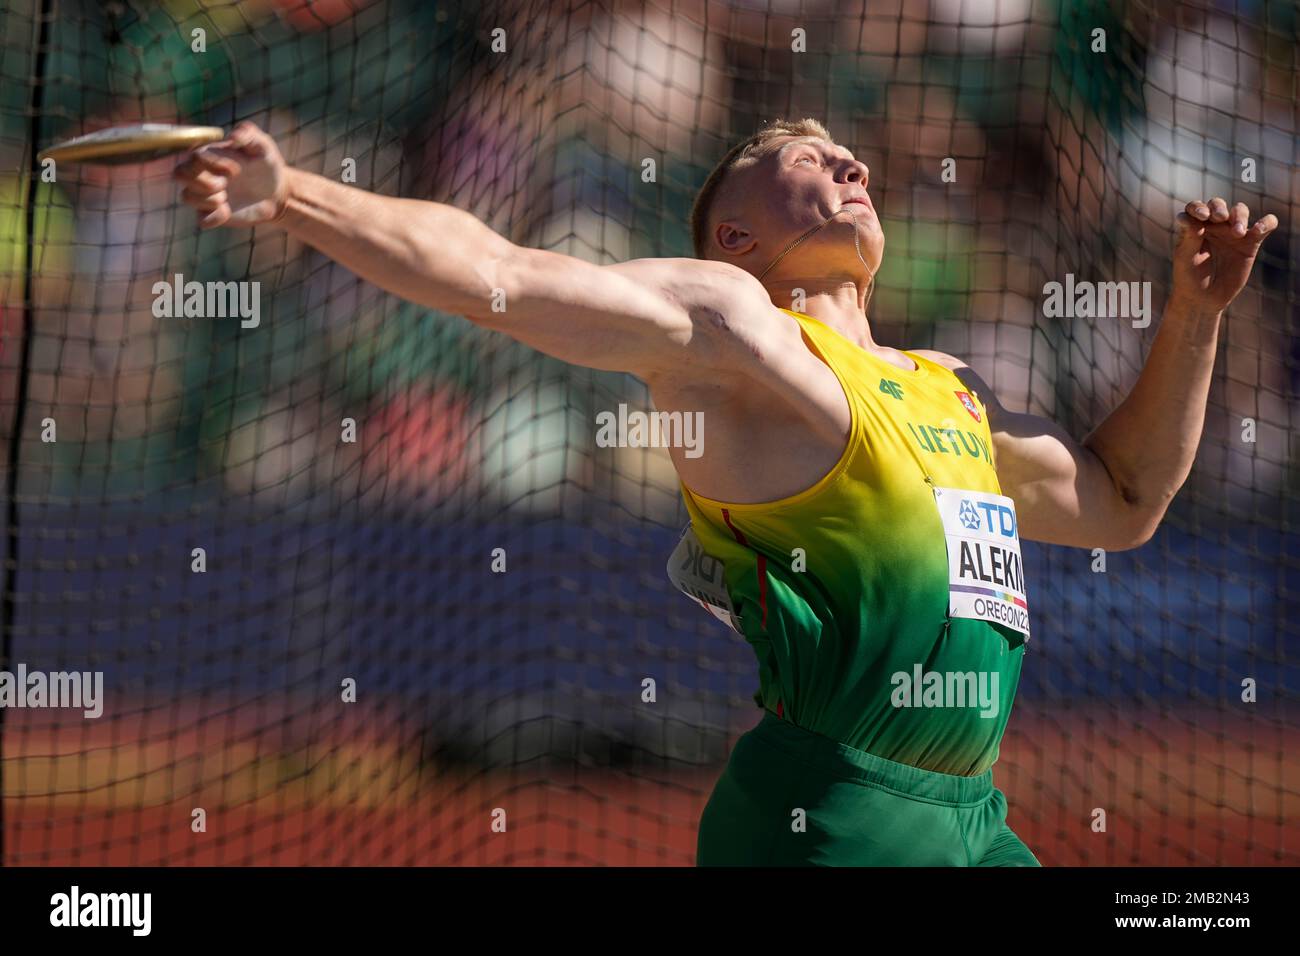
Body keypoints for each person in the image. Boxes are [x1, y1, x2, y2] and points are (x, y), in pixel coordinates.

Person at [173, 117, 1277, 866]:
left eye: (847, 154)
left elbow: (1126, 499)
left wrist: (1194, 317)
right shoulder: (737, 327)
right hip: (832, 813)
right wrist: (298, 196)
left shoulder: (952, 393)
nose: (846, 157)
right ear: (736, 236)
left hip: (971, 821)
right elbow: (499, 274)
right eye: (805, 152)